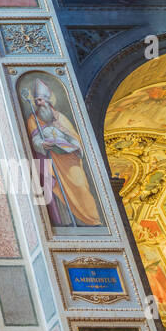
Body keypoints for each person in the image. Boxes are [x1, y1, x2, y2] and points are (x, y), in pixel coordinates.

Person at [21, 78, 101, 226]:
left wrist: (73, 145)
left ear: (49, 100)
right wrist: (42, 144)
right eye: (38, 100)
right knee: (55, 187)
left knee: (80, 185)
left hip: (69, 158)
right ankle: (69, 221)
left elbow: (74, 137)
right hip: (52, 161)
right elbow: (35, 140)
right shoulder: (34, 119)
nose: (40, 103)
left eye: (43, 100)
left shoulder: (60, 117)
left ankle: (92, 220)